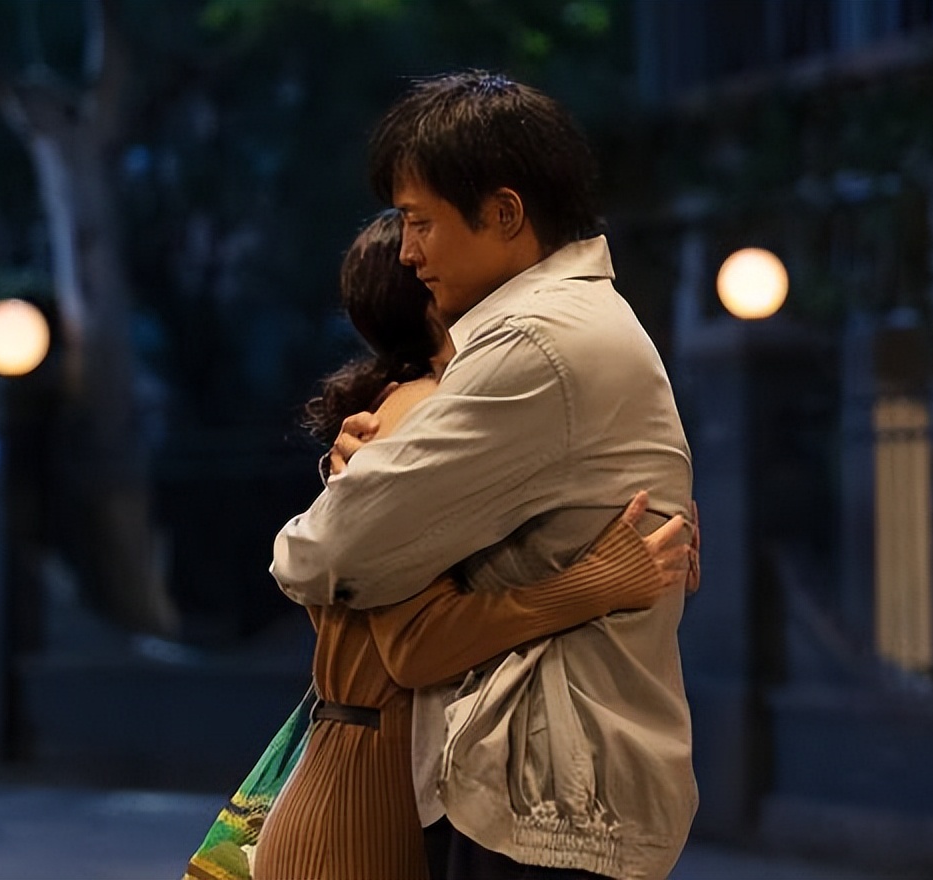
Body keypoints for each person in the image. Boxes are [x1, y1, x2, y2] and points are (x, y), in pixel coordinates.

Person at [271, 72, 697, 880]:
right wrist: (588, 586)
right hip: (528, 790)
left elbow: (321, 555)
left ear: (504, 214)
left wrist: (341, 500)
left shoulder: (532, 344)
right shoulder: (575, 329)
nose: (410, 252)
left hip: (539, 795)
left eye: (420, 221)